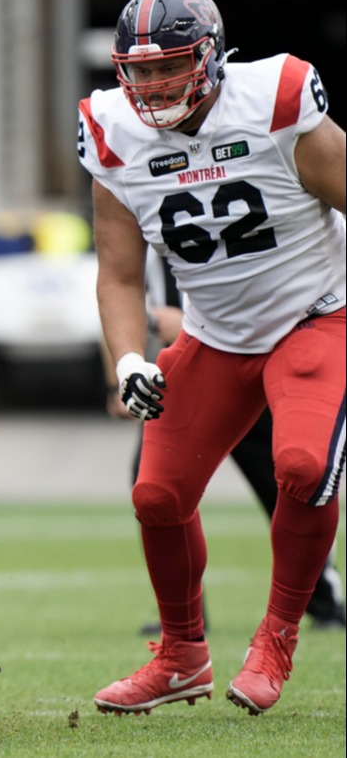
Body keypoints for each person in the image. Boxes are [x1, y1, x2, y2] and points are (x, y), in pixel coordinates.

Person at [81, 0, 345, 716]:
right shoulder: (110, 129)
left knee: (299, 464)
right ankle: (179, 657)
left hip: (315, 315)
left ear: (209, 57)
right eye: (138, 70)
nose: (152, 84)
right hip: (213, 333)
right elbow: (118, 270)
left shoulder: (275, 100)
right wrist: (128, 358)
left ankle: (278, 638)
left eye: (169, 66)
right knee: (156, 496)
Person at [113, 253, 346, 635]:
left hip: (254, 365)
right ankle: (185, 620)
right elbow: (117, 289)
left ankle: (324, 601)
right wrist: (121, 376)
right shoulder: (142, 216)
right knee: (155, 490)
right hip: (182, 375)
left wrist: (170, 320)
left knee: (295, 477)